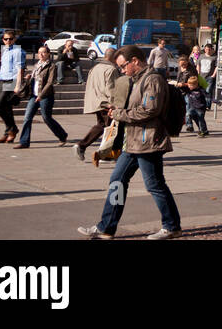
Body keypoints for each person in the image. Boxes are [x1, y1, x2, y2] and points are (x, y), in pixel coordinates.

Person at [77, 45, 182, 239]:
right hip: (132, 142)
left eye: (124, 66)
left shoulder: (152, 79)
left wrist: (120, 114)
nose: (122, 70)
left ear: (135, 61)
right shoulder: (136, 80)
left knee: (155, 185)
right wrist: (116, 109)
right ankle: (106, 227)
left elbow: (150, 110)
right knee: (117, 180)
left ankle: (171, 225)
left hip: (148, 141)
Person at [14, 46, 69, 149]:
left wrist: (41, 95)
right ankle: (24, 142)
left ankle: (62, 135)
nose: (41, 55)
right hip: (33, 95)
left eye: (43, 52)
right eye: (39, 53)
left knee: (46, 117)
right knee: (27, 118)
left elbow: (50, 82)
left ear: (48, 54)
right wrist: (29, 77)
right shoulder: (36, 65)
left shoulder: (51, 66)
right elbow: (36, 78)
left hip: (46, 96)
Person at [75, 47, 121, 160]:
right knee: (111, 128)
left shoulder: (95, 67)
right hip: (106, 102)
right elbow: (111, 88)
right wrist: (114, 104)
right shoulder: (111, 69)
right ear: (114, 57)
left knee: (102, 126)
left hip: (97, 101)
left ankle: (99, 151)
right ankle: (87, 147)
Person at [0, 31, 26, 145]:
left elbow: (20, 69)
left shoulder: (17, 51)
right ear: (2, 39)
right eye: (5, 39)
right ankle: (8, 133)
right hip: (3, 80)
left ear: (14, 39)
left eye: (10, 39)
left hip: (11, 81)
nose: (8, 41)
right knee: (7, 108)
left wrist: (17, 85)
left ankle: (13, 129)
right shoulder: (5, 50)